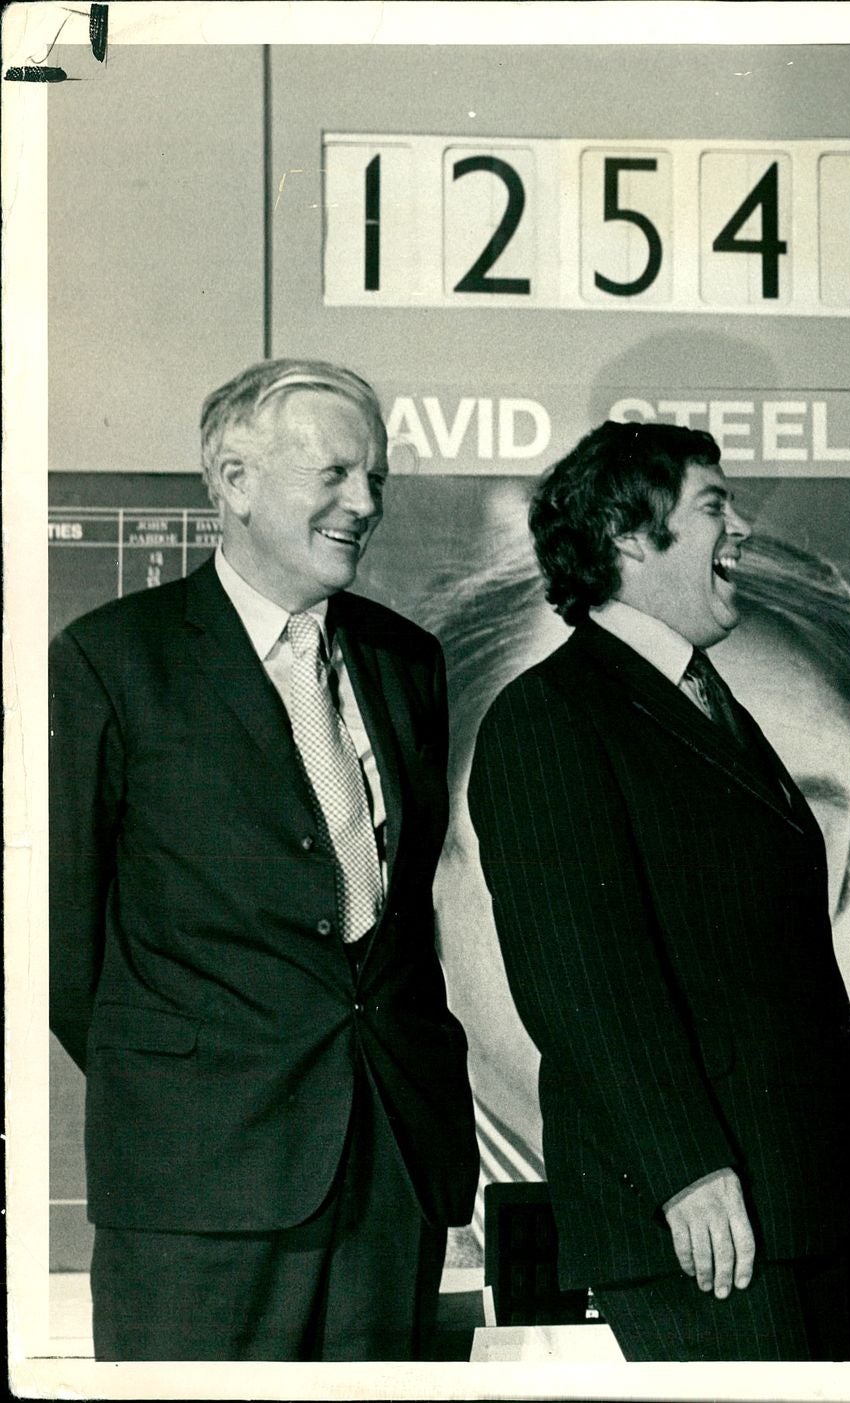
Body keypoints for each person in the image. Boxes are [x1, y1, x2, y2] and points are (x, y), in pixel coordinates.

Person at [466, 420, 850, 1361]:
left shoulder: (705, 696)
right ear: (628, 535)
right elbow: (583, 980)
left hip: (823, 1196)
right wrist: (686, 1169)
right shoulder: (547, 716)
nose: (743, 531)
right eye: (715, 507)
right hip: (711, 1217)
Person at [47, 359, 478, 1360]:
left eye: (376, 477)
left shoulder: (407, 659)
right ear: (233, 481)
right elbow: (62, 949)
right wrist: (197, 1078)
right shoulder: (112, 659)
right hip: (202, 1185)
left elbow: (402, 917)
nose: (364, 503)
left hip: (390, 1171)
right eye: (334, 474)